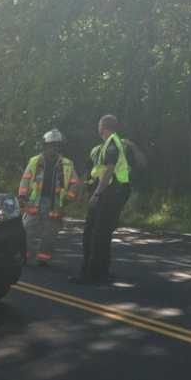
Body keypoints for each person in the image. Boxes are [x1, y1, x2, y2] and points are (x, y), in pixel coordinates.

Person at [70, 114, 131, 284]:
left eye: (99, 124)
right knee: (103, 234)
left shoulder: (111, 143)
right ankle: (102, 271)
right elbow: (98, 171)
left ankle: (90, 274)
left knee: (93, 234)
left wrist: (96, 193)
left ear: (103, 126)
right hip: (114, 192)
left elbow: (109, 171)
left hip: (109, 193)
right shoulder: (108, 144)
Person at [18, 129, 79, 265]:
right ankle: (26, 257)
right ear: (45, 146)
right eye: (52, 145)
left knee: (50, 236)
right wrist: (22, 196)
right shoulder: (34, 161)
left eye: (57, 145)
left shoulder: (67, 164)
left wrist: (68, 199)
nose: (55, 148)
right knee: (27, 231)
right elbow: (25, 180)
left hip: (55, 205)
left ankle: (43, 260)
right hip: (34, 203)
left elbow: (74, 183)